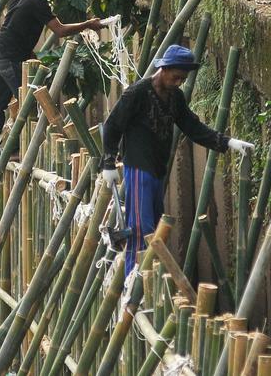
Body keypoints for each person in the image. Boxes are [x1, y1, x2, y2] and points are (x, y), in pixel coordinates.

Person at [100, 44, 254, 271]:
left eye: (182, 79)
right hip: (139, 168)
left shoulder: (176, 97)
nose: (179, 82)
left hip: (158, 170)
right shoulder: (137, 93)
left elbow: (193, 127)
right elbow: (113, 126)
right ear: (163, 69)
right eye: (176, 77)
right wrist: (108, 163)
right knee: (141, 229)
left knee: (156, 230)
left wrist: (227, 142)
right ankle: (133, 280)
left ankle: (149, 278)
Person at [0, 0, 103, 143]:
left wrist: (28, 53)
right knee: (29, 102)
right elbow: (60, 30)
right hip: (8, 57)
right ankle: (30, 146)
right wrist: (88, 24)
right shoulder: (36, 1)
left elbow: (15, 23)